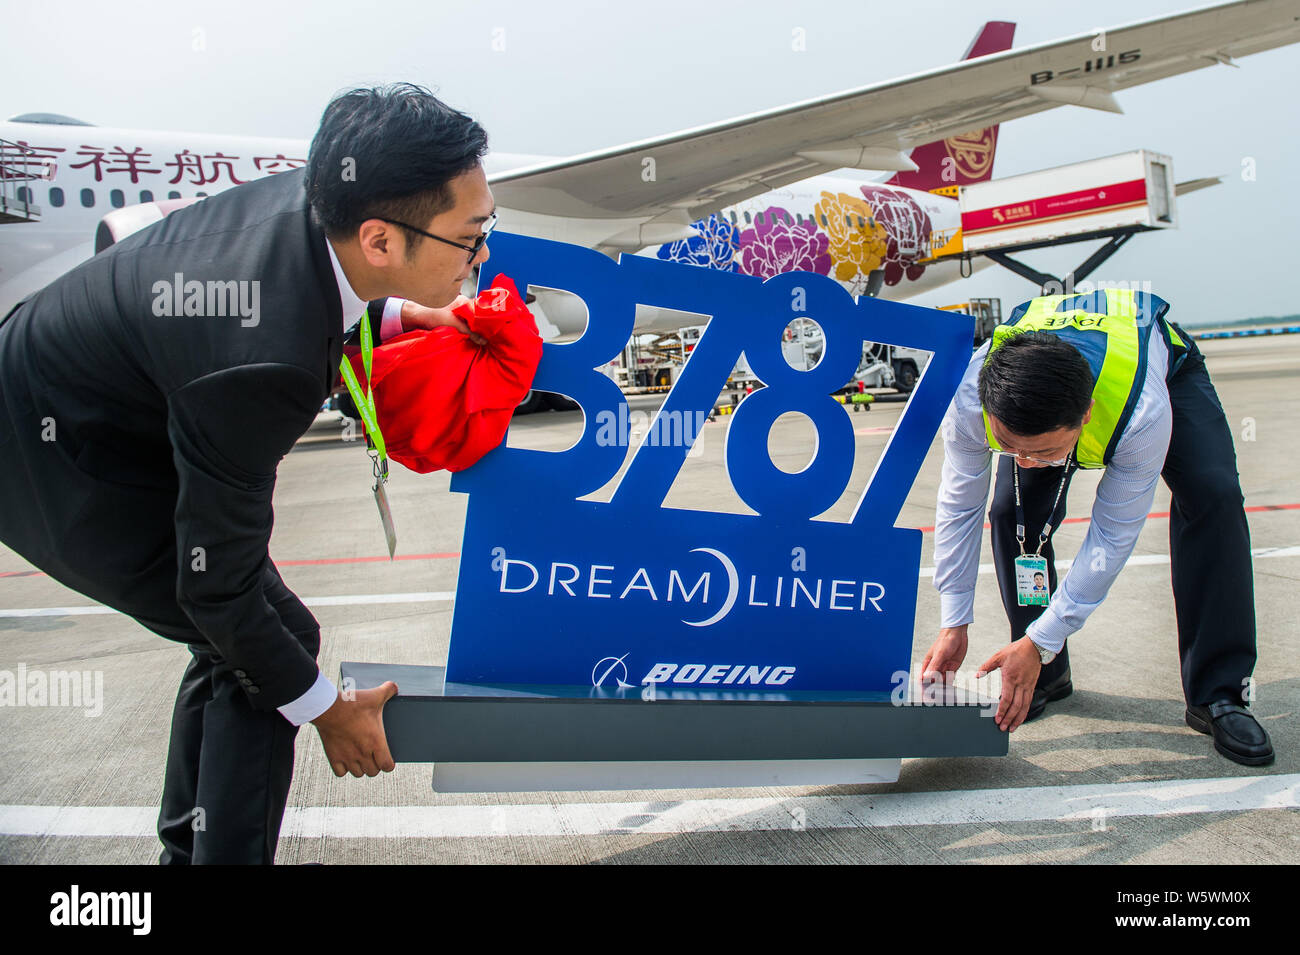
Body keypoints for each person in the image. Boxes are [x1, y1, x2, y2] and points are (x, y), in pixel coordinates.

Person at [0, 83, 498, 862]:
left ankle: (189, 849)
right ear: (379, 239)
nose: (484, 253)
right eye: (472, 235)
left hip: (83, 406)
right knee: (260, 646)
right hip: (52, 460)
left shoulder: (313, 207)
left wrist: (403, 314)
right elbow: (219, 589)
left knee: (262, 642)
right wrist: (329, 709)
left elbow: (319, 294)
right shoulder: (262, 361)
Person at [920, 288, 1272, 766]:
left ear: (1084, 418)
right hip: (1046, 385)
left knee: (1214, 497)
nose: (1024, 461)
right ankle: (1044, 671)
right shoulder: (968, 396)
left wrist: (1046, 634)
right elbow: (960, 508)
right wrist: (953, 620)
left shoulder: (1142, 413)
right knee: (1011, 512)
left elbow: (1110, 536)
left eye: (1042, 452)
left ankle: (1220, 693)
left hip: (1161, 371)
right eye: (1010, 446)